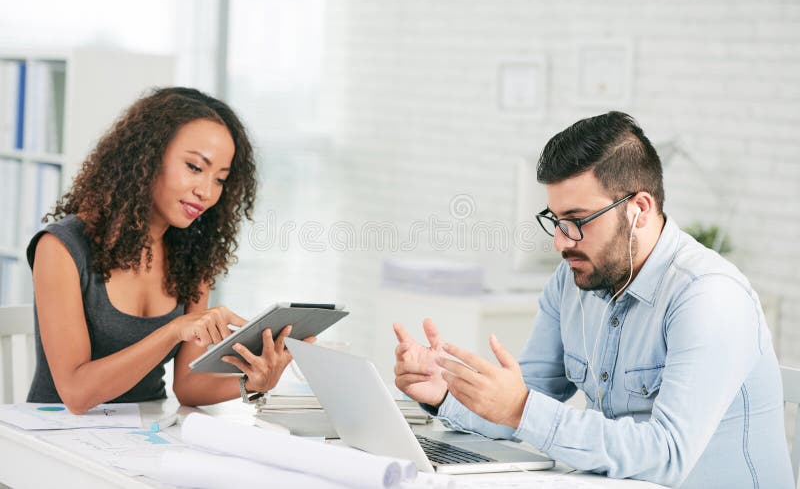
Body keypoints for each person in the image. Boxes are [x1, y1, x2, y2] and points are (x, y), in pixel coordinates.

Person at [393, 112, 793, 488]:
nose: (560, 241)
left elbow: (667, 454)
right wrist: (446, 393)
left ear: (639, 209)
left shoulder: (709, 296)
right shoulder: (572, 283)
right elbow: (527, 396)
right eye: (555, 220)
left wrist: (521, 408)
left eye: (577, 220)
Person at [28, 87, 306, 414]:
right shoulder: (60, 247)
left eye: (220, 179)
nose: (206, 192)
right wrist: (173, 331)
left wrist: (253, 382)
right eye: (194, 167)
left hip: (142, 431)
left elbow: (188, 385)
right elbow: (76, 394)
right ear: (146, 157)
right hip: (53, 433)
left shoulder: (193, 255)